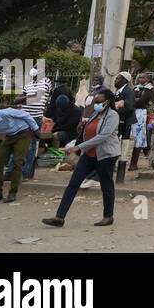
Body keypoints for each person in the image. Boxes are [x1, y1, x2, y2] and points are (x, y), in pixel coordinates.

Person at [41, 89, 120, 228]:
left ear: (107, 102)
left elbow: (102, 137)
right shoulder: (95, 114)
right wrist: (81, 129)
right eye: (95, 102)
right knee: (73, 184)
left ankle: (108, 216)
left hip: (105, 155)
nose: (96, 104)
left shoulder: (113, 116)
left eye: (99, 102)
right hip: (88, 154)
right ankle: (59, 217)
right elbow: (87, 132)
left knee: (106, 185)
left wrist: (78, 147)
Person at [0, 106, 40, 203]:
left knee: (17, 162)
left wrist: (35, 129)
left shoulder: (5, 113)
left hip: (23, 133)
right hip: (9, 136)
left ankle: (13, 192)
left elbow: (25, 115)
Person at [12, 66, 54, 182]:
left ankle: (27, 173)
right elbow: (18, 98)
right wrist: (24, 98)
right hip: (22, 116)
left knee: (31, 146)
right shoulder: (28, 84)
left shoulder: (46, 81)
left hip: (35, 117)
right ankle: (13, 171)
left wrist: (22, 99)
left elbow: (37, 98)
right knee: (17, 142)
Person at [128, 73, 154, 171]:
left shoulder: (149, 88)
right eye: (140, 77)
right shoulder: (136, 87)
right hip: (132, 112)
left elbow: (142, 101)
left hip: (141, 113)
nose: (141, 79)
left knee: (139, 137)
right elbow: (131, 98)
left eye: (143, 78)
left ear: (148, 79)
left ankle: (133, 163)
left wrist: (132, 101)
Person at [113, 71, 137, 174]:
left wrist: (116, 110)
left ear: (124, 80)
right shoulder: (118, 91)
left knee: (124, 142)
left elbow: (129, 107)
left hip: (125, 121)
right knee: (116, 141)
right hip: (118, 120)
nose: (116, 80)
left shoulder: (128, 91)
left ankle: (121, 162)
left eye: (118, 78)